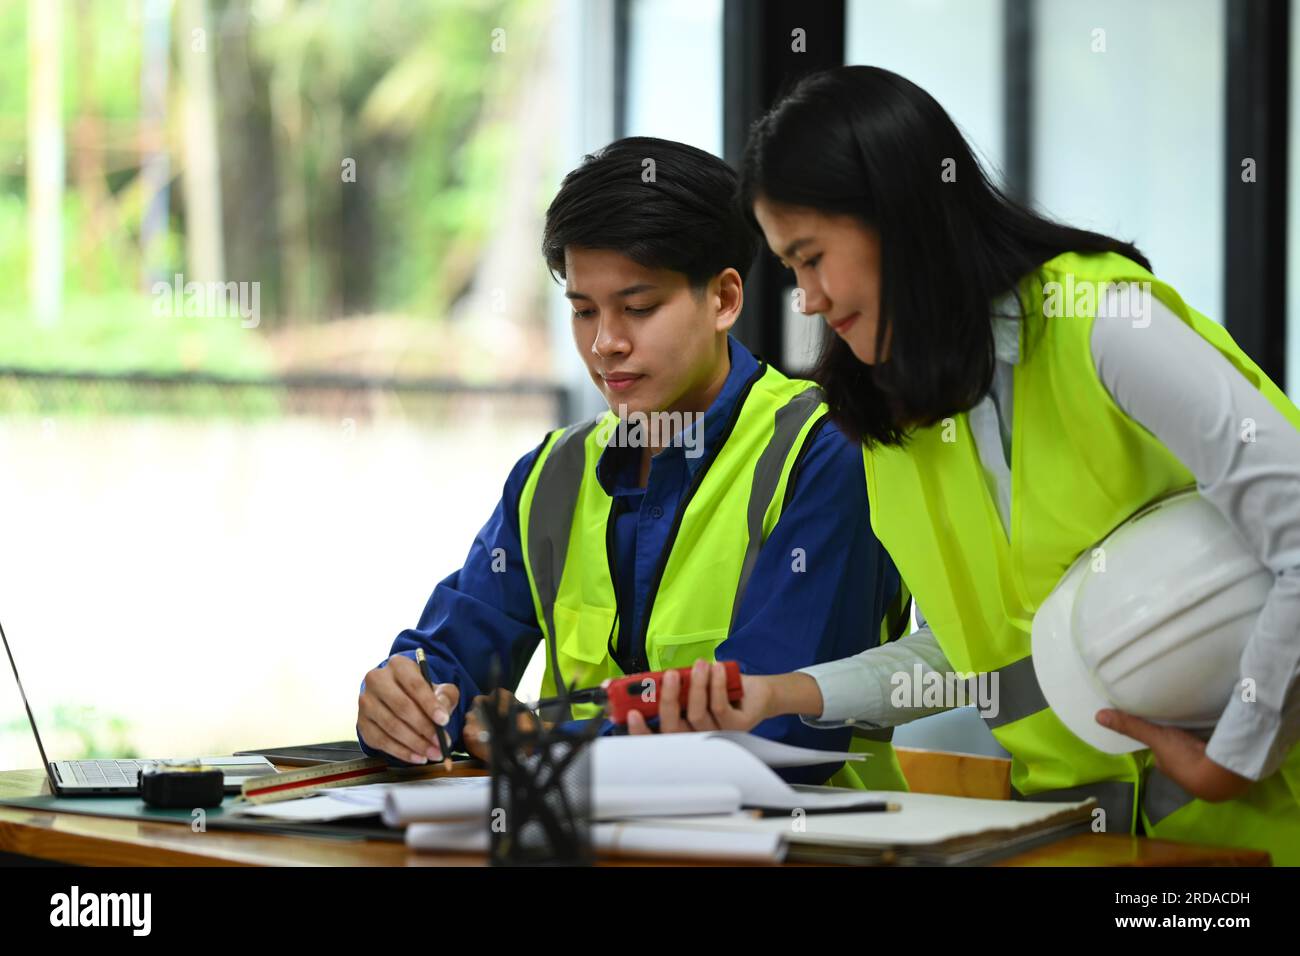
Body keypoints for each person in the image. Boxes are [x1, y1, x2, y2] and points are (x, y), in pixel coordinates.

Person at [651, 66, 1300, 862]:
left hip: (1255, 840)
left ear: (899, 216)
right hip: (1082, 846)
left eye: (812, 257)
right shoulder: (895, 416)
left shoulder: (1106, 324)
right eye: (791, 270)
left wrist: (1237, 752)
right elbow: (974, 662)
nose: (808, 299)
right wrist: (783, 695)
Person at [355, 136, 910, 787]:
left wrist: (548, 737)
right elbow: (454, 654)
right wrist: (409, 700)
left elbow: (767, 723)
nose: (604, 343)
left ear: (725, 300)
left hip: (811, 850)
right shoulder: (551, 476)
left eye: (638, 308)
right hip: (584, 842)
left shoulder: (825, 453)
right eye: (583, 311)